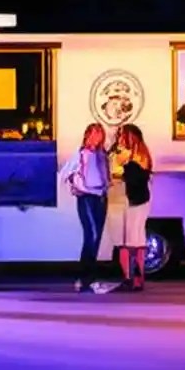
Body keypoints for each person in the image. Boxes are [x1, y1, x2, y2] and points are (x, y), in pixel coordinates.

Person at [109, 124, 153, 291]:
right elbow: (111, 172)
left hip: (136, 201)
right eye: (119, 134)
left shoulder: (140, 155)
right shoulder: (115, 153)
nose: (120, 138)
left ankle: (137, 277)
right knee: (122, 242)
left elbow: (135, 176)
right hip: (118, 200)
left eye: (123, 135)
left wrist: (123, 166)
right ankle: (127, 277)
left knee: (134, 240)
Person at [71, 123, 111, 292]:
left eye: (99, 134)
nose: (96, 137)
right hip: (86, 196)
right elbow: (69, 172)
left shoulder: (103, 154)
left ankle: (86, 278)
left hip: (100, 197)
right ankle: (86, 277)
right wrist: (77, 185)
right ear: (87, 135)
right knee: (91, 235)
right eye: (93, 133)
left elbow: (106, 175)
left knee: (96, 238)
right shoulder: (81, 154)